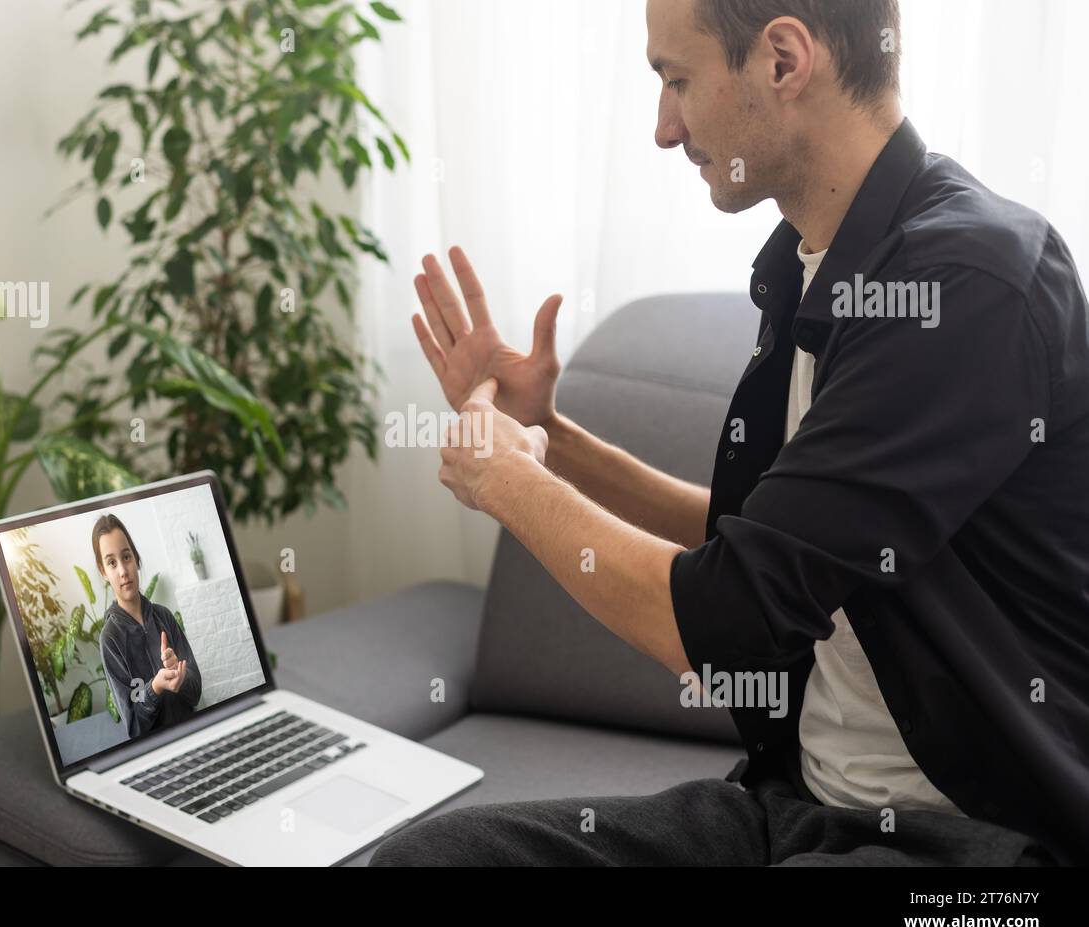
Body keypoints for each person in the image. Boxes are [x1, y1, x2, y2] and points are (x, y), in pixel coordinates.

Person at [371, 0, 1089, 866]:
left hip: (978, 853)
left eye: (677, 80)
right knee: (440, 858)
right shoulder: (807, 262)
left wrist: (507, 482)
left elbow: (726, 619)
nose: (665, 129)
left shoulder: (964, 284)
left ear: (784, 60)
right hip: (796, 808)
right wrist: (548, 438)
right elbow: (758, 543)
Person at [94, 513, 202, 739]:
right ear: (103, 572)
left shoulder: (164, 616)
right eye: (112, 563)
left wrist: (180, 676)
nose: (123, 571)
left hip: (195, 734)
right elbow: (134, 727)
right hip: (158, 753)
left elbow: (196, 693)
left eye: (126, 557)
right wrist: (155, 688)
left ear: (136, 559)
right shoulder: (110, 639)